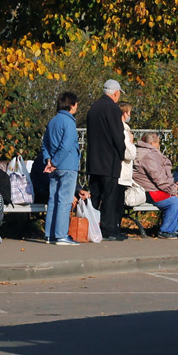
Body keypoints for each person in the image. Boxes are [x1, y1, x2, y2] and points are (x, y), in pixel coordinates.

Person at [86, 79, 127, 241]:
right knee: (109, 196)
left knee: (95, 196)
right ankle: (108, 230)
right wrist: (121, 153)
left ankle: (91, 227)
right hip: (109, 161)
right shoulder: (113, 109)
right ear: (115, 93)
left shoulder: (93, 108)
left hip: (94, 160)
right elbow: (117, 135)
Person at [40, 91, 81, 245]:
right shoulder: (69, 122)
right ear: (72, 105)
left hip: (53, 167)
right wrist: (55, 162)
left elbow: (45, 144)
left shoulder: (52, 121)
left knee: (53, 200)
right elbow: (66, 145)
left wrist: (49, 161)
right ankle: (61, 235)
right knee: (64, 200)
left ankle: (49, 234)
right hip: (67, 165)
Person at [133, 132, 178, 239]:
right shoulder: (149, 155)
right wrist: (172, 189)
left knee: (176, 199)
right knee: (174, 202)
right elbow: (158, 178)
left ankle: (173, 228)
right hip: (149, 191)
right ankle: (166, 230)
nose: (159, 145)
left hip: (145, 189)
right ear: (153, 143)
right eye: (158, 143)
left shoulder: (140, 152)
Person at [117, 101, 138, 203]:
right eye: (129, 112)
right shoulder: (124, 130)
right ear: (124, 113)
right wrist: (132, 142)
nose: (130, 115)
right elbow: (130, 153)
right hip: (122, 174)